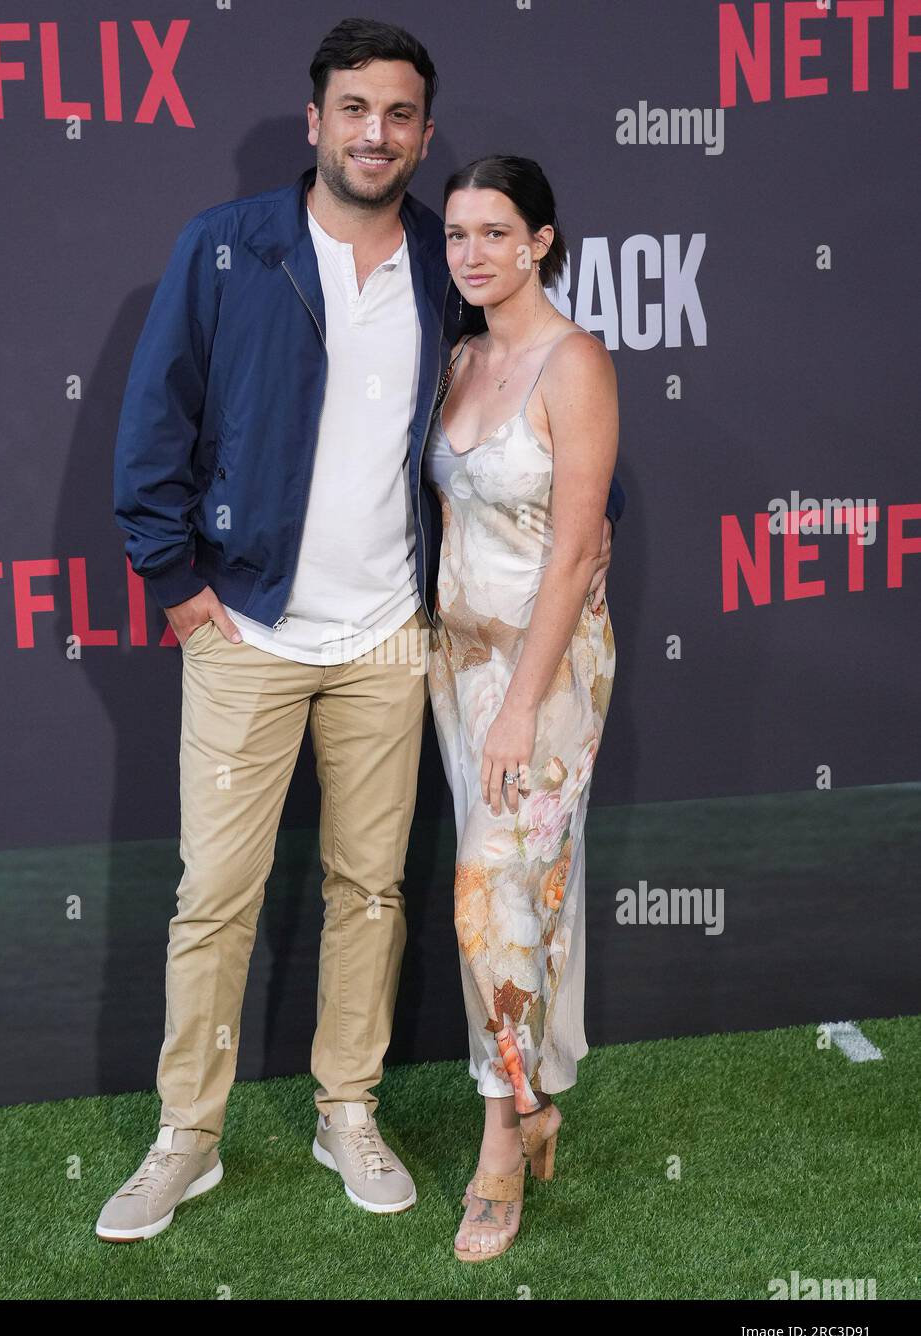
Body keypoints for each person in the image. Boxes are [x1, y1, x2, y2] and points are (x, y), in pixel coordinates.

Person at [98, 17, 624, 1242]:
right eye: (352, 109)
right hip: (249, 631)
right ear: (315, 120)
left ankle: (348, 1109)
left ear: (422, 135)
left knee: (369, 893)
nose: (374, 133)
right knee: (215, 895)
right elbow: (151, 425)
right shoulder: (228, 250)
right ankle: (187, 1134)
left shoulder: (448, 270)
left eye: (397, 115)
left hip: (395, 639)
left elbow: (546, 474)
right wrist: (179, 587)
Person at [424, 156, 618, 1261]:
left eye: (496, 232)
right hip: (454, 668)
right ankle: (532, 1091)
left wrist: (519, 705)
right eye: (456, 234)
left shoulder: (572, 361)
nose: (472, 253)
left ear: (541, 240)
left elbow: (574, 549)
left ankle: (504, 1138)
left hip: (539, 680)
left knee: (487, 894)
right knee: (519, 893)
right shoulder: (459, 356)